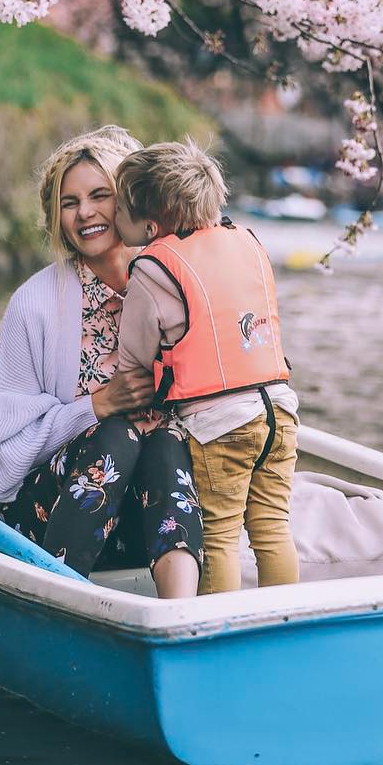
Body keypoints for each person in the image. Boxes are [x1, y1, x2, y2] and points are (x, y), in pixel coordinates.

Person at [0, 125, 203, 598]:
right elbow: (0, 470)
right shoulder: (33, 304)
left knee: (162, 443)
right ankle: (59, 605)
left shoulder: (177, 285)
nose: (86, 213)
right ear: (54, 216)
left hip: (146, 528)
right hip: (47, 524)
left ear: (131, 203)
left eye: (101, 195)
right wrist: (93, 408)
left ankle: (180, 617)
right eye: (69, 202)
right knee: (117, 432)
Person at [113, 140, 300, 596]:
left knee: (218, 538)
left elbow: (133, 358)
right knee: (273, 527)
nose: (113, 218)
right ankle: (285, 622)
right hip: (279, 409)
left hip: (219, 424)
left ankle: (219, 636)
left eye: (120, 210)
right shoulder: (248, 244)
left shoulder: (153, 269)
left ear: (150, 224)